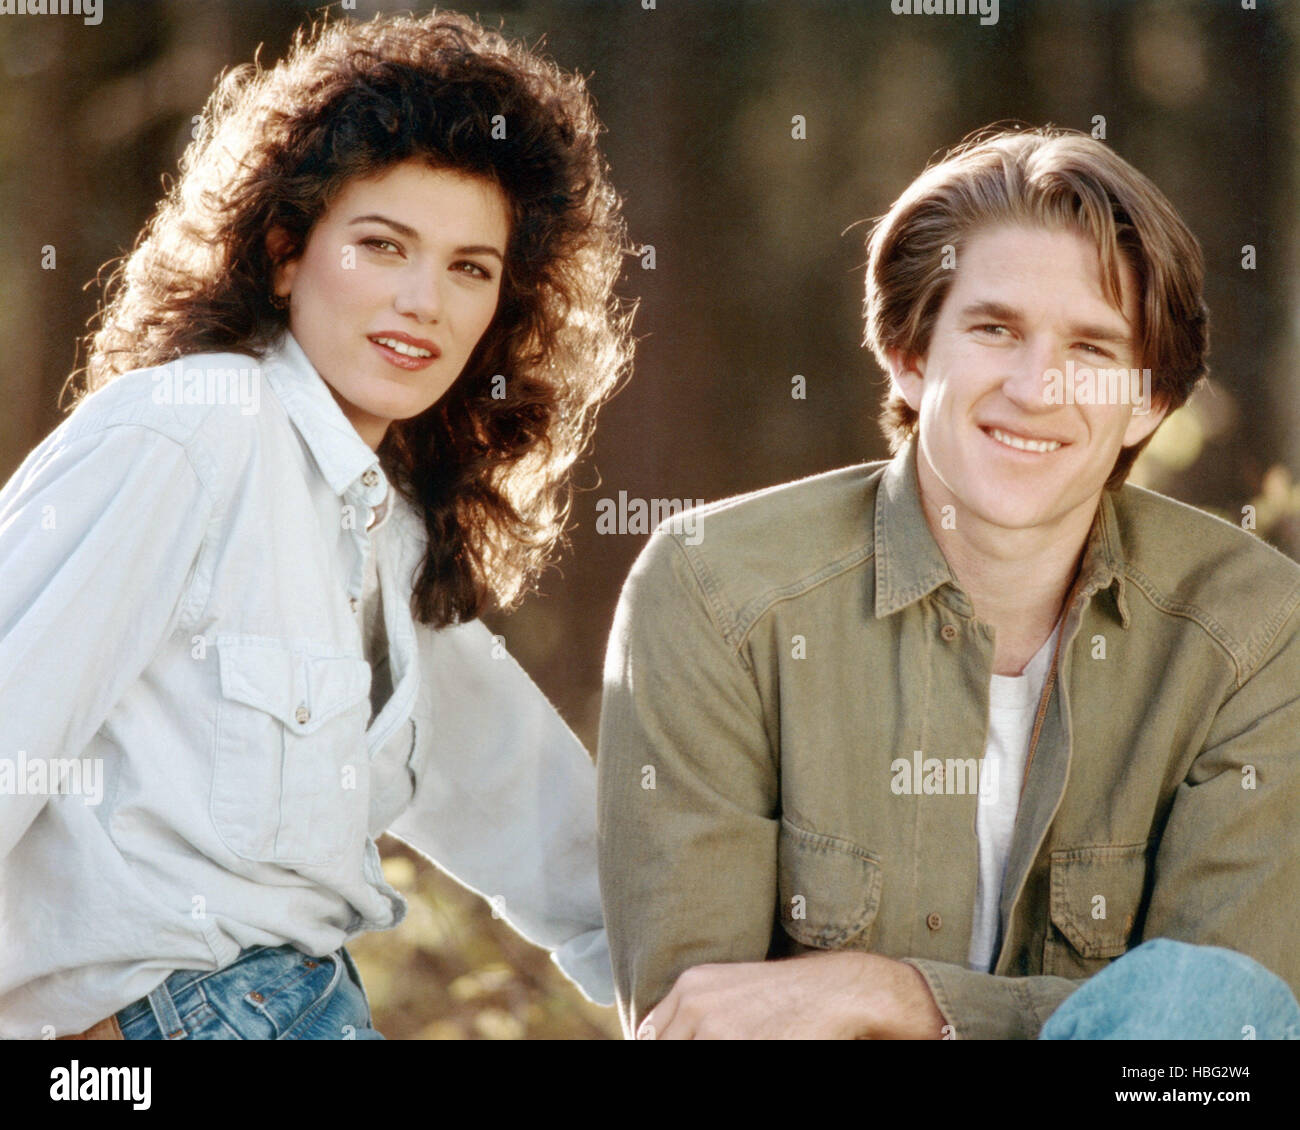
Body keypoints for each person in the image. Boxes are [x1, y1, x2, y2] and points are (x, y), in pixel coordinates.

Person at [0, 9, 631, 1040]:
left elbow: (546, 822)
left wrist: (762, 985)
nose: (424, 300)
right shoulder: (190, 433)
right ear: (286, 251)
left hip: (309, 1007)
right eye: (384, 246)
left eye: (471, 267)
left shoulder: (387, 532)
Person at [596, 125, 1300, 1039]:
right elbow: (710, 1024)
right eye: (995, 329)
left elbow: (1223, 1042)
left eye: (1092, 349)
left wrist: (901, 1000)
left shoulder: (1253, 627)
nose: (1036, 387)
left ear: (1149, 404)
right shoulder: (715, 594)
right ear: (909, 352)